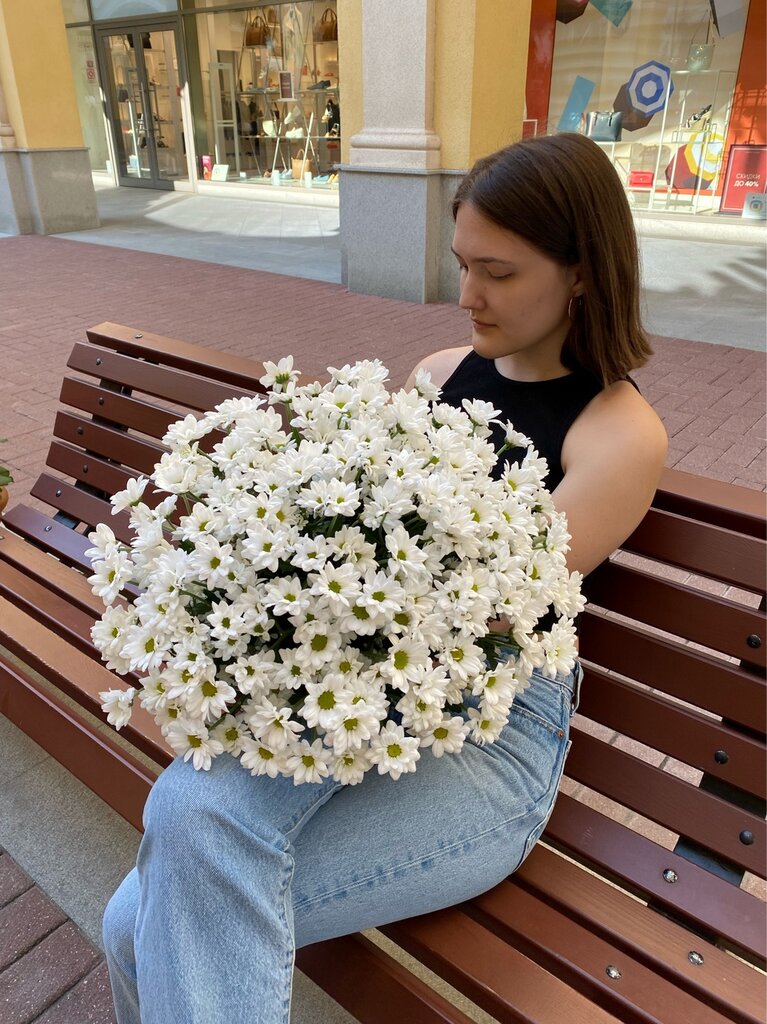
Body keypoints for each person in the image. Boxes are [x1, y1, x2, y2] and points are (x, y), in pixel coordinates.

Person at [102, 132, 667, 1023]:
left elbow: (484, 616)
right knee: (147, 899)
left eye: (498, 272)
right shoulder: (437, 376)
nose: (466, 295)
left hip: (486, 736)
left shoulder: (617, 436)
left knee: (158, 890)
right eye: (460, 264)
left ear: (583, 272)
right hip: (363, 685)